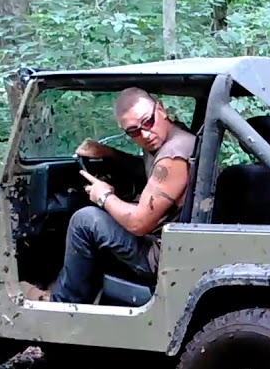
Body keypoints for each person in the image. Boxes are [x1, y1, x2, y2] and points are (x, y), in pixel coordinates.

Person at [23, 87, 197, 303]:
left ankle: (62, 303)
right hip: (176, 244)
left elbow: (138, 223)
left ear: (160, 109)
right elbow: (148, 171)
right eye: (133, 131)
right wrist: (109, 154)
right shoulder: (171, 138)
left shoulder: (172, 156)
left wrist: (104, 197)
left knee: (84, 220)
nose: (144, 134)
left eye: (148, 121)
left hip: (162, 255)